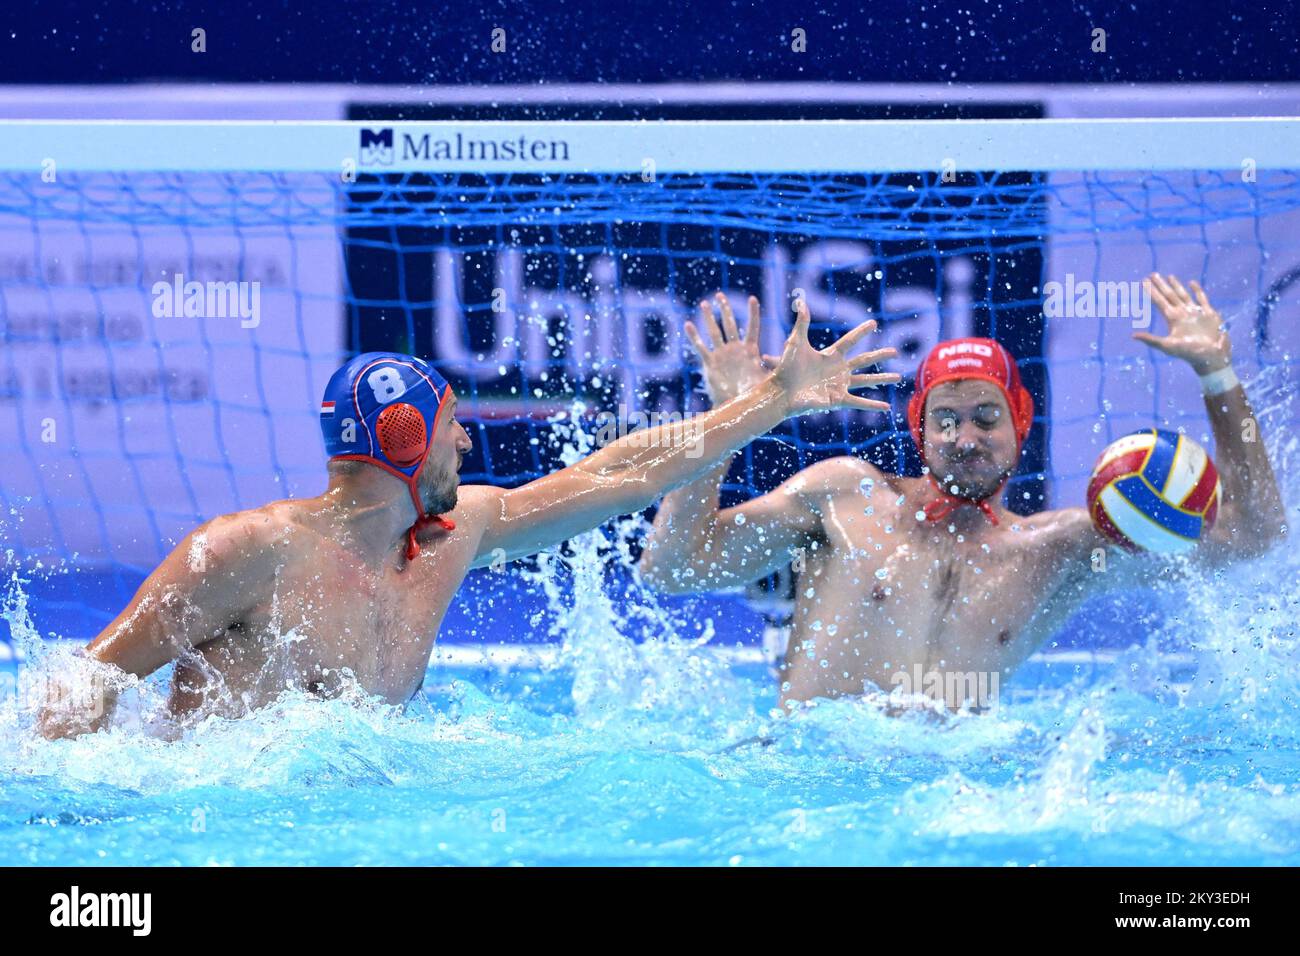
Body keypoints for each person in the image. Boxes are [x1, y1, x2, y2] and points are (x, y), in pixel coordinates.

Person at [36, 310, 899, 739]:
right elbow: (89, 678)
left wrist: (768, 402)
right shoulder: (244, 552)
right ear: (406, 439)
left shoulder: (453, 540)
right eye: (450, 423)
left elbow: (622, 472)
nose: (467, 438)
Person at [638, 276, 1286, 713]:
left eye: (985, 416)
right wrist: (726, 418)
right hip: (804, 792)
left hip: (946, 816)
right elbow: (672, 568)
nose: (965, 437)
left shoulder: (1057, 550)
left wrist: (1217, 375)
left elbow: (1254, 534)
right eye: (945, 419)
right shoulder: (841, 497)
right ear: (919, 429)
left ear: (1019, 425)